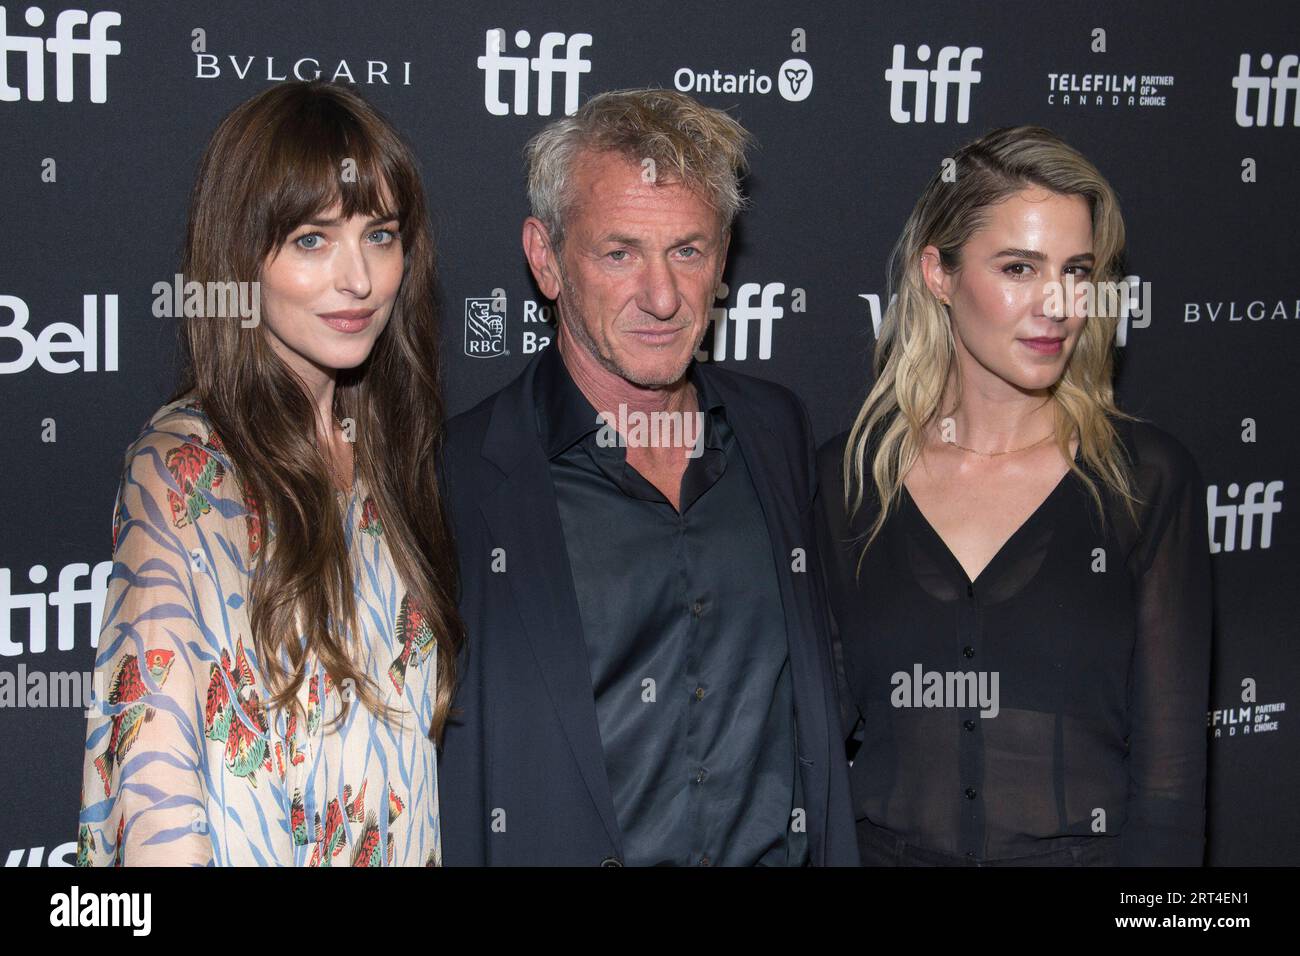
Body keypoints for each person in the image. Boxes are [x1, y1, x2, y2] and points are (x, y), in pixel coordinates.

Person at [438, 88, 857, 866]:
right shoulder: (459, 476)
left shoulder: (776, 433)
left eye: (688, 251)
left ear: (723, 255)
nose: (662, 298)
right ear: (546, 258)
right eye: (620, 252)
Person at [76, 80, 463, 866]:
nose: (358, 278)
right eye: (312, 240)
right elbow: (151, 792)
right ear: (240, 256)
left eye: (380, 235)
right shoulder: (185, 471)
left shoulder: (387, 457)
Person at [816, 126, 1212, 866]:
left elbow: (1170, 793)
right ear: (938, 273)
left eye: (1077, 270)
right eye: (1020, 267)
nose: (1058, 305)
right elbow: (807, 756)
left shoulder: (1145, 481)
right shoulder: (848, 483)